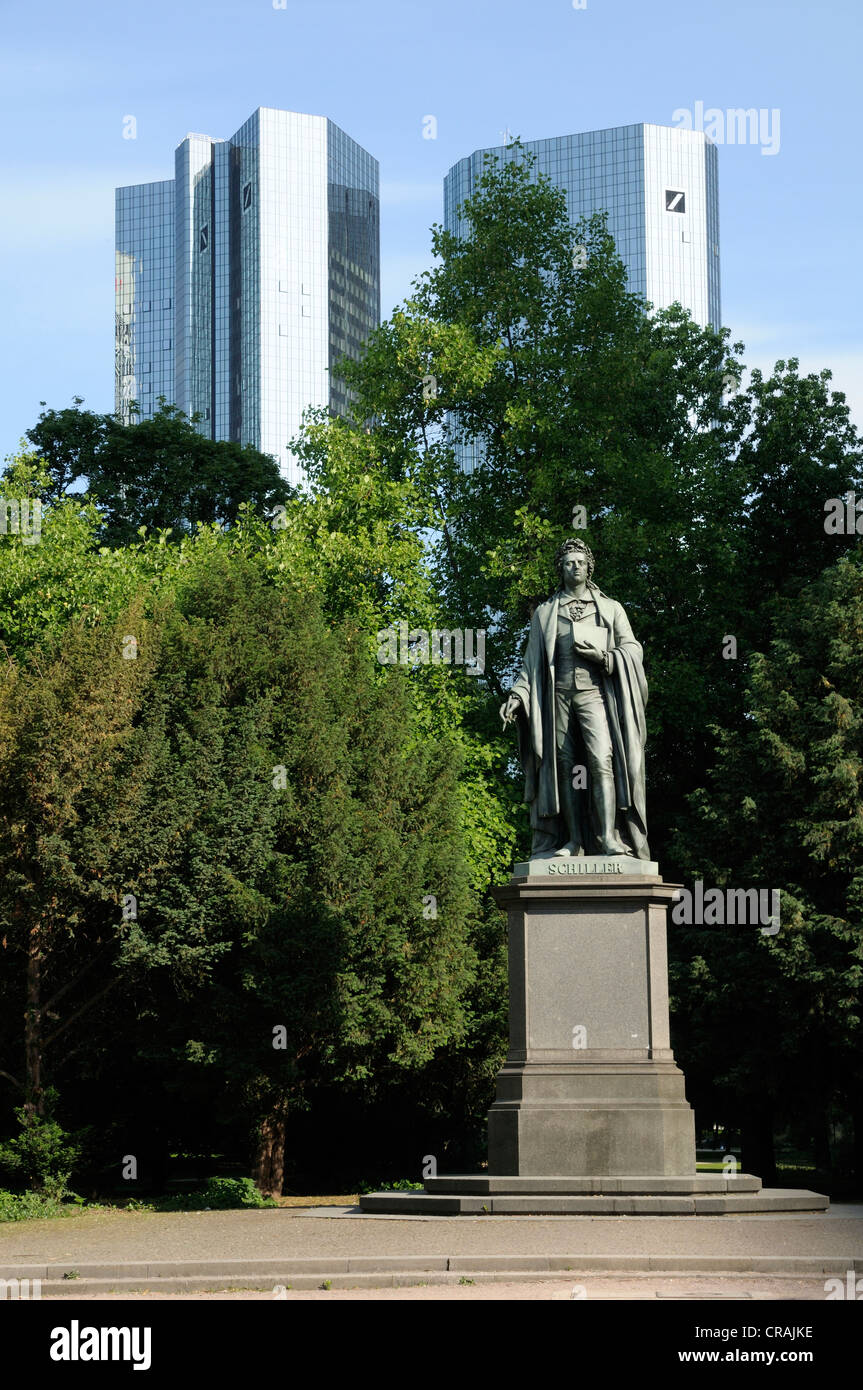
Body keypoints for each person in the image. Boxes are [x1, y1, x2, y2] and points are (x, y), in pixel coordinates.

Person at [500, 537, 649, 859]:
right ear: (561, 569)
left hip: (595, 695)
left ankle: (609, 837)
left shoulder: (610, 609)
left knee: (601, 761)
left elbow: (633, 648)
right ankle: (573, 841)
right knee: (565, 769)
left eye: (581, 562)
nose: (575, 567)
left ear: (589, 567)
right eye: (569, 562)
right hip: (558, 699)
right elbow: (532, 664)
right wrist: (518, 695)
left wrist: (606, 657)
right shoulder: (545, 613)